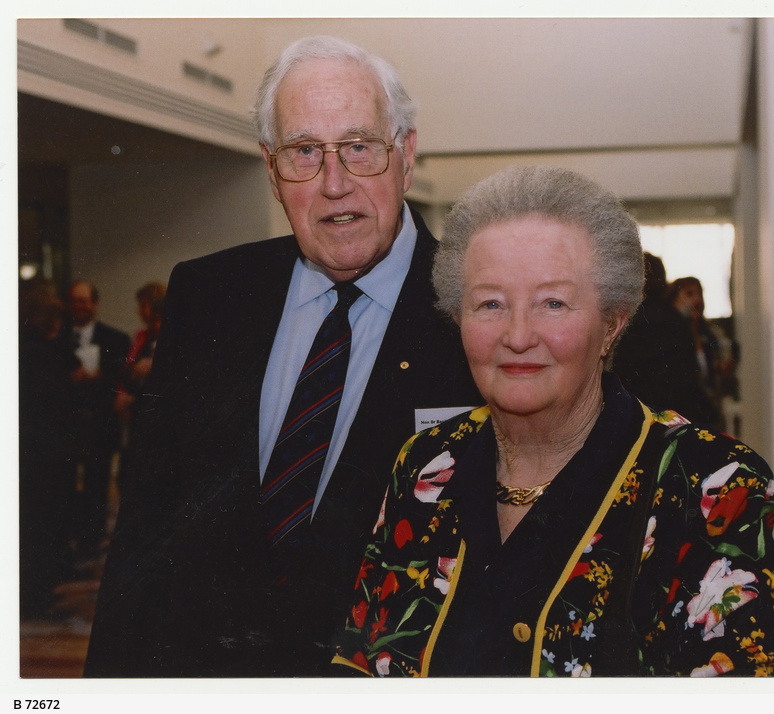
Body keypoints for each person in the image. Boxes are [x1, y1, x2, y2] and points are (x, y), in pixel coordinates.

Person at [85, 35, 481, 677]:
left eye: (359, 147)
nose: (334, 184)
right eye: (304, 152)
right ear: (271, 169)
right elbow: (146, 533)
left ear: (405, 154)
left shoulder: (476, 311)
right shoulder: (208, 295)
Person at [331, 166, 774, 677]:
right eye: (490, 303)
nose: (517, 335)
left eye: (553, 303)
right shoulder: (426, 464)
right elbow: (358, 670)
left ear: (611, 324)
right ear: (458, 317)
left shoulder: (708, 483)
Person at [57, 281, 130, 561]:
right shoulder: (56, 337)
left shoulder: (115, 338)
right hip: (66, 426)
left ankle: (92, 539)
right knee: (65, 483)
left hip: (101, 425)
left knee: (97, 483)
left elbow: (118, 382)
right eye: (76, 300)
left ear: (95, 304)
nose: (81, 306)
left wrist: (100, 380)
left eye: (86, 300)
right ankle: (68, 540)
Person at [19, 279, 78, 618]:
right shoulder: (42, 357)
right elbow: (59, 408)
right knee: (41, 524)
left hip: (26, 450)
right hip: (45, 454)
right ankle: (35, 594)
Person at [612, 252, 718, 424]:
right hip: (677, 417)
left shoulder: (624, 321)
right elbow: (689, 375)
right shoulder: (674, 319)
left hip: (635, 416)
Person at [668, 276, 737, 431]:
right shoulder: (670, 336)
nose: (697, 299)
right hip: (682, 415)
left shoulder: (712, 334)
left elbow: (725, 366)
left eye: (699, 294)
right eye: (689, 294)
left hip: (711, 413)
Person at [113, 282, 166, 430]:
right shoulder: (142, 336)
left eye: (143, 305)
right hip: (138, 409)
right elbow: (126, 370)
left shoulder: (173, 334)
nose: (139, 310)